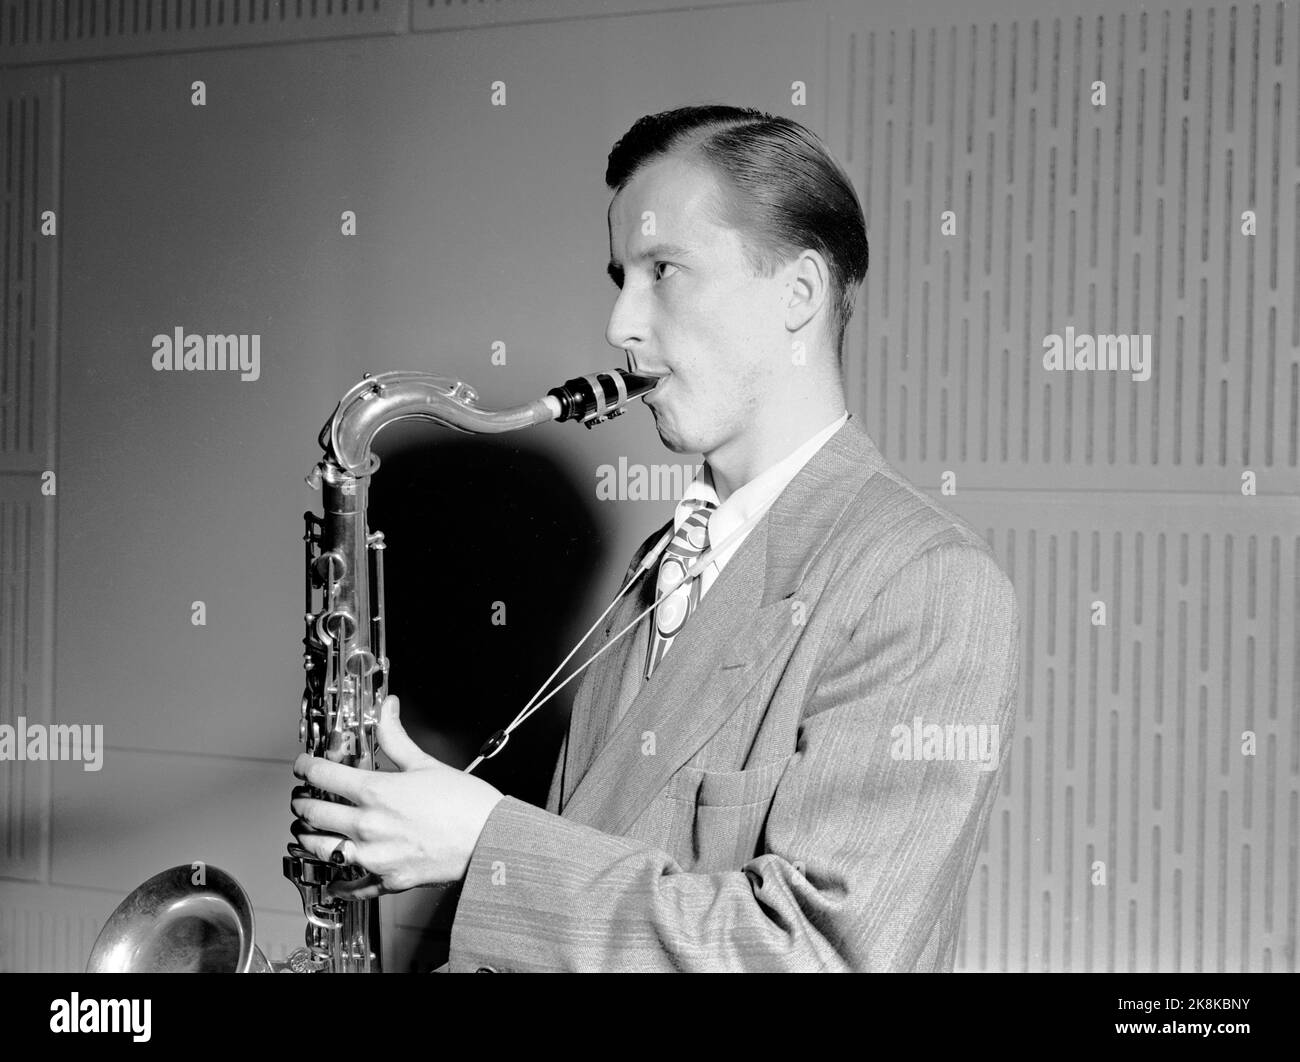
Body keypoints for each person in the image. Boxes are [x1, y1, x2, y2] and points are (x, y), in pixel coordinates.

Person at [290, 104, 1021, 972]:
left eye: (663, 270)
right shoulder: (658, 566)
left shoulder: (926, 583)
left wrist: (486, 847)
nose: (619, 327)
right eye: (619, 276)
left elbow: (816, 956)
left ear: (800, 294)